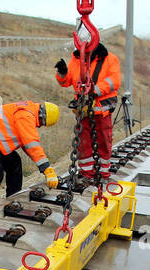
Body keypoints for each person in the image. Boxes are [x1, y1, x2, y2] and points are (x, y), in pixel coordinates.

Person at [0, 100, 61, 217]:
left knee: (14, 164)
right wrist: (47, 169)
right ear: (42, 116)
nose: (40, 125)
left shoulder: (28, 110)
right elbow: (31, 143)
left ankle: (12, 203)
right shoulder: (26, 116)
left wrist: (42, 165)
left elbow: (27, 144)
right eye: (42, 123)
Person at [55, 42, 122, 184]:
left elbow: (114, 81)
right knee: (84, 143)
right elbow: (66, 81)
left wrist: (95, 90)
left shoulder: (110, 59)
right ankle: (86, 173)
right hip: (84, 110)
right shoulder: (77, 59)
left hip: (101, 109)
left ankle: (102, 174)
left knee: (103, 141)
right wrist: (62, 73)